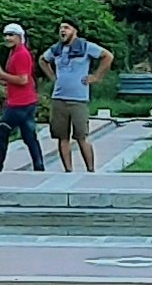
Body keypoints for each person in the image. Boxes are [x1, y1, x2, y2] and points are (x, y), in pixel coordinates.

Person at [44, 16, 111, 174]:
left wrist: (97, 76)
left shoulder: (85, 46)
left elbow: (108, 56)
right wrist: (53, 77)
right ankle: (68, 170)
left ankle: (91, 170)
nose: (62, 31)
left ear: (74, 30)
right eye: (61, 28)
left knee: (81, 136)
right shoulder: (56, 49)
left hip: (78, 99)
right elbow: (43, 60)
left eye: (66, 28)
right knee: (62, 136)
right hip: (59, 98)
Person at [0, 20, 48, 173]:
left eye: (11, 35)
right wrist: (3, 77)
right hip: (26, 100)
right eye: (5, 35)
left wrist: (0, 74)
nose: (7, 38)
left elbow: (22, 79)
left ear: (20, 36)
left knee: (3, 130)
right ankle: (39, 166)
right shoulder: (15, 53)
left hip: (20, 102)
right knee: (28, 135)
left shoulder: (21, 54)